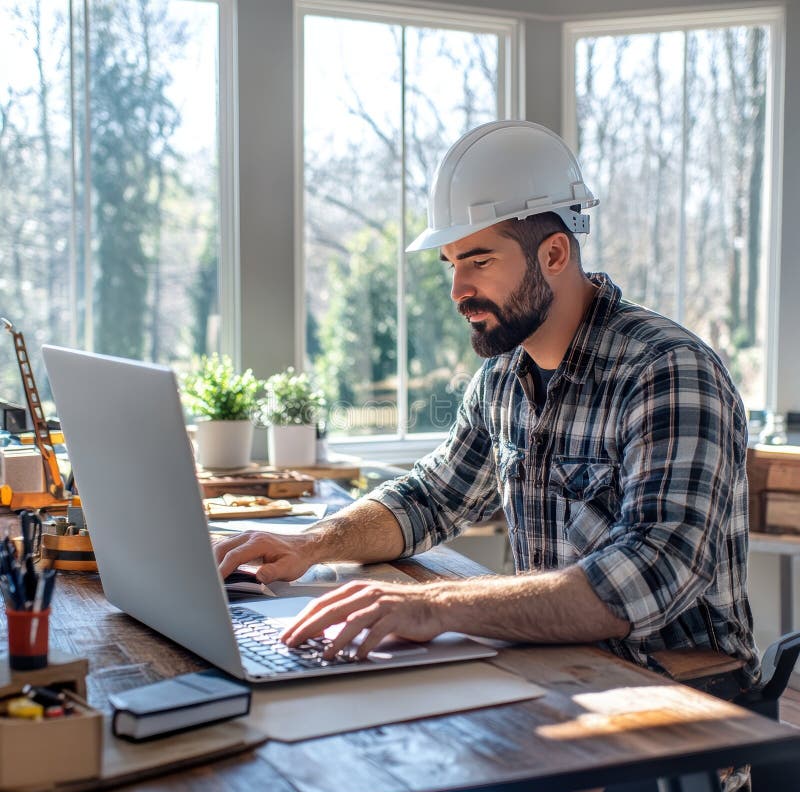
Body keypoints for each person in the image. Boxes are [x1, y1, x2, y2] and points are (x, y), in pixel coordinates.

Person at [215, 119, 757, 684]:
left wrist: (436, 607)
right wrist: (311, 543)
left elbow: (652, 571)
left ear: (553, 254)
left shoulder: (668, 372)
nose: (458, 291)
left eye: (479, 261)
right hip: (555, 670)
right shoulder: (502, 377)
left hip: (676, 705)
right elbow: (431, 497)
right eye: (451, 264)